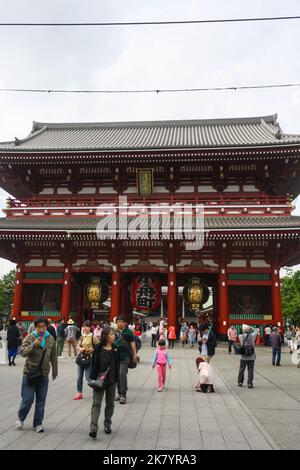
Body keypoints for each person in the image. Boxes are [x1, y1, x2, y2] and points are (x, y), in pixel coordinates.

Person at [15, 317, 58, 433]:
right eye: (39, 327)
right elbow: (23, 352)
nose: (41, 329)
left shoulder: (51, 338)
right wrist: (34, 344)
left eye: (44, 327)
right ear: (35, 327)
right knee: (27, 400)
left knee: (41, 401)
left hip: (43, 373)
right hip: (29, 373)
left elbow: (53, 356)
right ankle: (20, 417)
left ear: (46, 327)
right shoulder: (30, 337)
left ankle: (38, 423)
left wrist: (55, 371)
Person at [89, 326, 120, 440]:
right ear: (105, 336)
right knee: (96, 403)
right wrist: (92, 377)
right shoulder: (98, 348)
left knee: (110, 403)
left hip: (112, 380)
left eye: (114, 334)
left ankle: (107, 425)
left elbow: (117, 365)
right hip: (99, 380)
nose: (113, 336)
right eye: (111, 334)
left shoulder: (116, 348)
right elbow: (93, 363)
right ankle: (93, 428)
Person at [113, 316, 137, 404]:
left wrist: (134, 354)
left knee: (122, 374)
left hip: (126, 356)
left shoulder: (128, 332)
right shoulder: (113, 332)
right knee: (117, 375)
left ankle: (123, 394)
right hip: (115, 356)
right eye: (118, 321)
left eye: (121, 321)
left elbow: (132, 342)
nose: (120, 323)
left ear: (124, 323)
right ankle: (118, 393)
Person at [73, 320, 99, 400]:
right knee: (79, 377)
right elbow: (78, 346)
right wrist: (80, 348)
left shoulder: (93, 337)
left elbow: (98, 346)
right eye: (84, 326)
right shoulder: (82, 336)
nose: (85, 328)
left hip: (89, 359)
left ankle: (97, 390)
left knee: (88, 377)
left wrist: (92, 349)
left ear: (90, 327)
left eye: (86, 326)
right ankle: (79, 393)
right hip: (81, 358)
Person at [238, 324, 259, 389]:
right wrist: (250, 327)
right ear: (248, 329)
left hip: (243, 356)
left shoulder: (240, 336)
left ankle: (240, 382)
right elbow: (257, 330)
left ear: (243, 330)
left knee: (241, 369)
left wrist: (245, 328)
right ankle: (250, 383)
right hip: (251, 356)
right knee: (250, 370)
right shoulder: (253, 335)